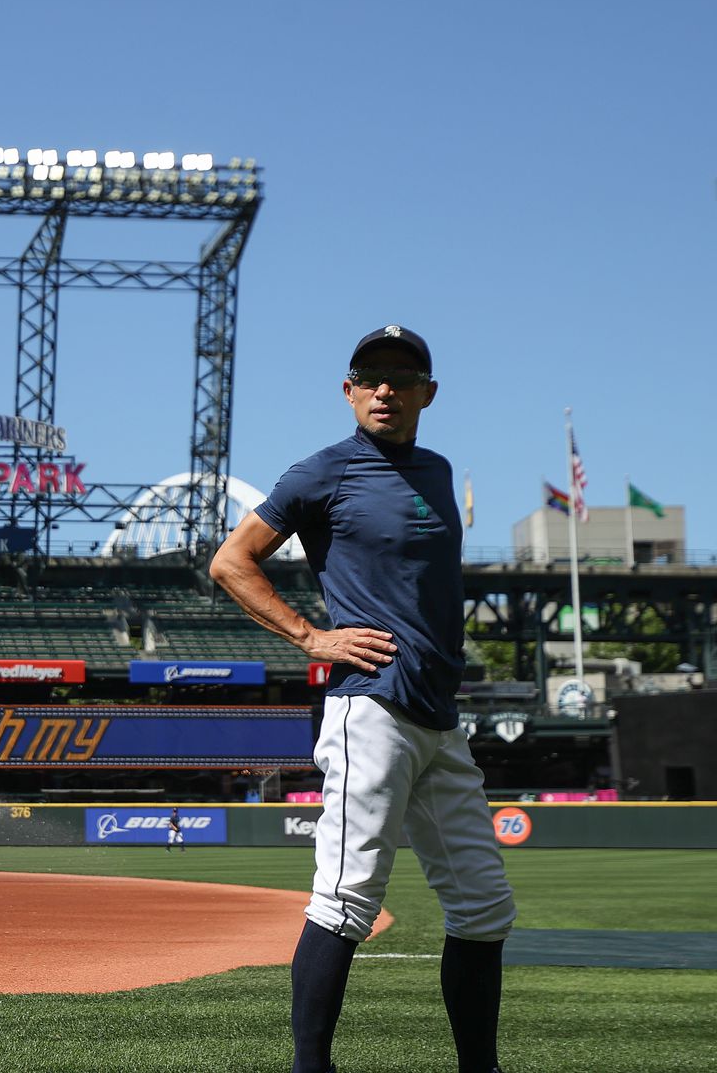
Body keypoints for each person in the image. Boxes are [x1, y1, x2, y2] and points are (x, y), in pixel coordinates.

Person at [211, 324, 514, 1073]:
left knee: (483, 911)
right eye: (371, 375)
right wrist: (312, 638)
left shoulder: (438, 471)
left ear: (427, 395)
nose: (387, 388)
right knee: (345, 899)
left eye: (403, 378)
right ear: (349, 391)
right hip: (370, 708)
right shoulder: (323, 472)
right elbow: (230, 561)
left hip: (440, 718)